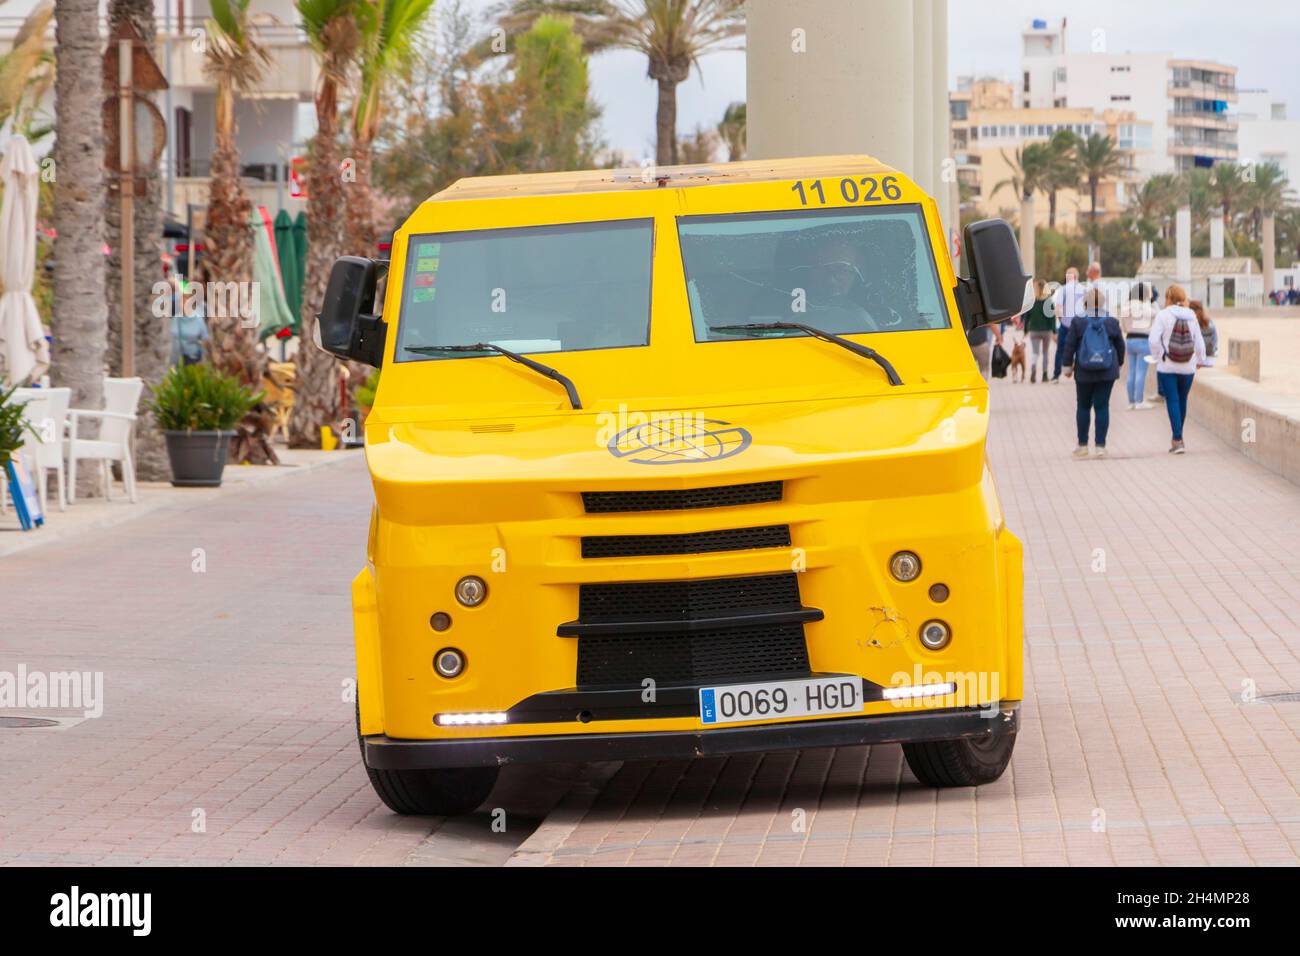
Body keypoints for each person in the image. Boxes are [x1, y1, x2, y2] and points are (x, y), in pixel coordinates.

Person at [1061, 286, 1125, 458]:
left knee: (1083, 405)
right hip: (1107, 371)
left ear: (1085, 302)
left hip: (1084, 370)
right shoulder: (1111, 321)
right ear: (1103, 302)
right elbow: (1120, 345)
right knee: (1102, 406)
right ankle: (1100, 446)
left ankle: (1082, 445)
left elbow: (1069, 345)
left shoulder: (1078, 321)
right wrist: (1118, 363)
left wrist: (1067, 366)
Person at [1148, 284, 1206, 454]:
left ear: (1168, 298)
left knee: (1172, 400)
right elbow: (1199, 341)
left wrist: (1159, 356)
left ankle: (1177, 439)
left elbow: (1153, 340)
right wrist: (1200, 360)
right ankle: (1178, 436)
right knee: (1182, 400)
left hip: (1167, 366)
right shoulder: (1192, 315)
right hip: (1188, 367)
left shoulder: (1163, 315)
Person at [1118, 281, 1157, 409]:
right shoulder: (1146, 308)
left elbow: (1122, 326)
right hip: (1144, 340)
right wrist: (1152, 301)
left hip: (1129, 340)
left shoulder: (1125, 307)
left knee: (1131, 372)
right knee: (1141, 372)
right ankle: (1139, 401)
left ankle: (1131, 402)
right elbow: (1157, 316)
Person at [1050, 266, 1085, 382]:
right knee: (1080, 348)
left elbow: (1058, 308)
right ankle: (1080, 373)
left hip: (1065, 325)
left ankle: (1056, 375)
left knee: (1060, 350)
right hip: (1080, 325)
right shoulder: (1084, 289)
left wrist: (1061, 320)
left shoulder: (1063, 290)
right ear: (1077, 277)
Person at [169, 273, 210, 367]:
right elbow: (174, 340)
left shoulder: (204, 308)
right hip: (183, 357)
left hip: (196, 356)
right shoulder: (178, 312)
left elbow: (205, 336)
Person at [1022, 279, 1054, 383]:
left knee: (1035, 353)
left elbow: (1027, 317)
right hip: (1046, 331)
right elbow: (1051, 318)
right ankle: (1044, 375)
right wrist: (1054, 331)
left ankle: (1033, 370)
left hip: (1034, 331)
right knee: (1045, 353)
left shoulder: (1032, 302)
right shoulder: (1048, 302)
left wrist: (1025, 330)